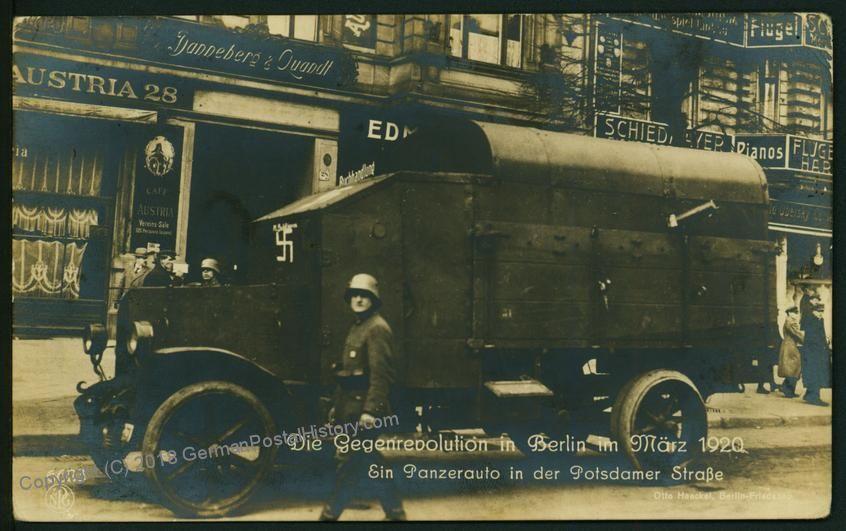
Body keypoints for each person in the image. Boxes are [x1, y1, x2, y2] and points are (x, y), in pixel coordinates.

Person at [319, 273, 406, 522]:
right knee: (366, 459)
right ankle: (396, 512)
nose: (358, 299)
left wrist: (371, 411)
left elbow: (381, 376)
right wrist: (337, 407)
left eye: (364, 295)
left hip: (363, 412)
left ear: (373, 300)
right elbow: (347, 375)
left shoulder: (377, 328)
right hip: (350, 408)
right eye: (355, 295)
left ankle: (329, 515)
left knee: (349, 462)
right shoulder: (358, 326)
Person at [800, 300, 830, 406]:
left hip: (818, 351)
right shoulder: (810, 320)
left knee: (817, 374)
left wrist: (826, 344)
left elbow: (822, 335)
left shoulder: (819, 319)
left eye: (822, 311)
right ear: (813, 311)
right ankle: (814, 397)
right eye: (818, 311)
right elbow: (811, 338)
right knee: (814, 374)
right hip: (812, 352)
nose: (821, 313)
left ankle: (809, 395)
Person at [777, 306, 803, 398]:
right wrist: (807, 339)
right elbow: (797, 333)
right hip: (790, 347)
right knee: (792, 368)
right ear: (789, 313)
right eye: (793, 312)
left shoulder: (790, 320)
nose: (795, 314)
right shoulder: (790, 321)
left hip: (790, 346)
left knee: (793, 368)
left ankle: (788, 389)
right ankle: (787, 389)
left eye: (796, 313)